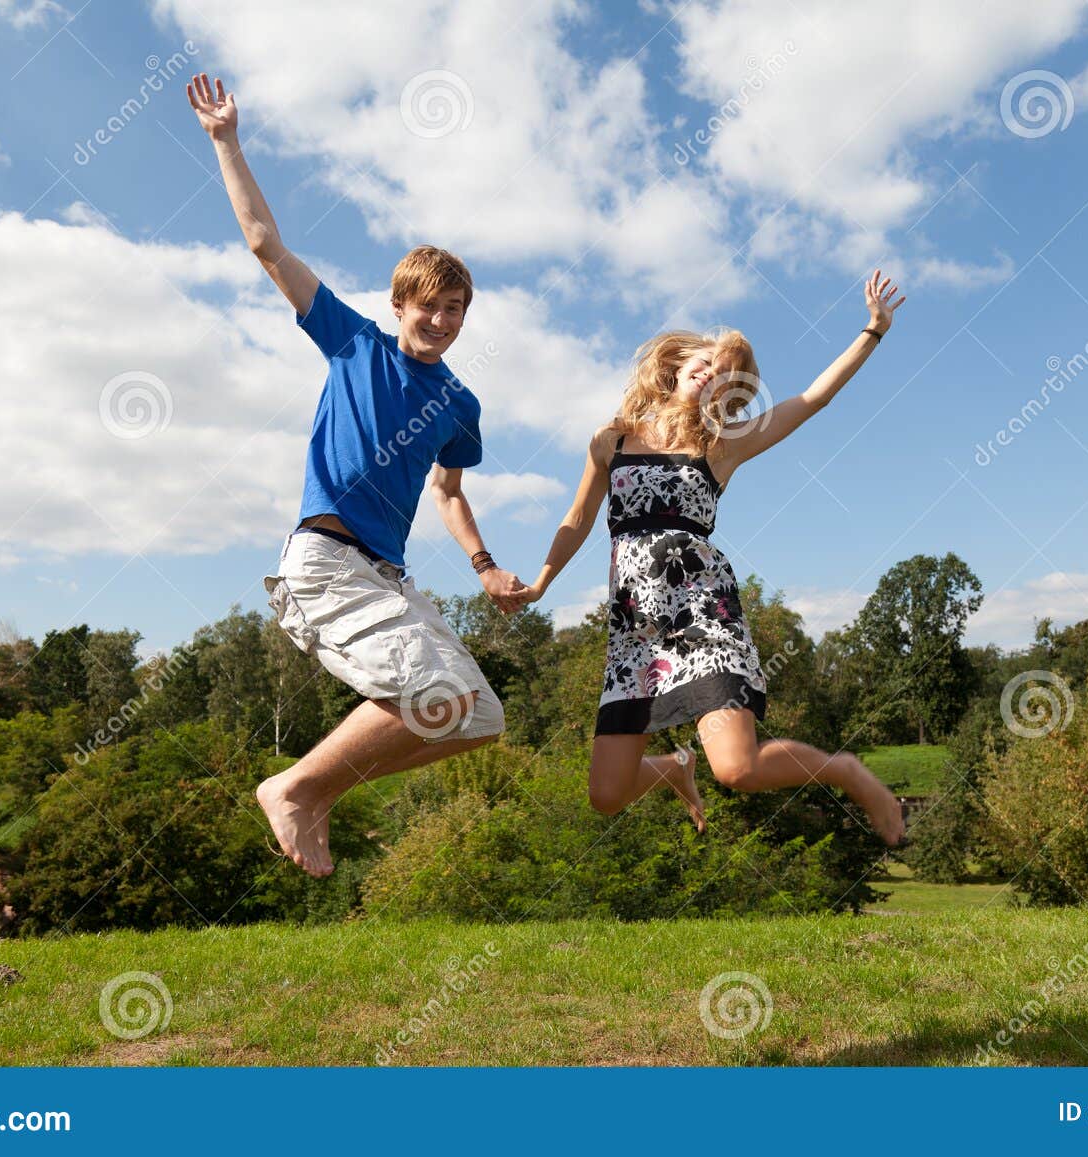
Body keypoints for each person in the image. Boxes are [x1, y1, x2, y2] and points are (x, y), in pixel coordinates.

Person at [187, 73, 525, 878]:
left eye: (456, 311)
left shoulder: (458, 401)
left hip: (387, 577)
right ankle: (299, 789)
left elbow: (448, 489)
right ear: (399, 303)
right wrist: (227, 141)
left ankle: (315, 788)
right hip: (326, 562)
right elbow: (268, 246)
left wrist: (484, 564)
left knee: (477, 715)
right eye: (428, 306)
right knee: (436, 690)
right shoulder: (353, 344)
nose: (441, 321)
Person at [520, 270, 909, 846]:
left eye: (726, 377)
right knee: (605, 796)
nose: (711, 376)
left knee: (738, 769)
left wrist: (872, 331)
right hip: (636, 632)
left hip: (703, 616)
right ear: (678, 363)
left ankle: (846, 771)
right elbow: (577, 519)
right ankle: (676, 768)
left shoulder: (722, 445)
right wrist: (539, 583)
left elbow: (814, 398)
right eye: (707, 362)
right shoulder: (612, 440)